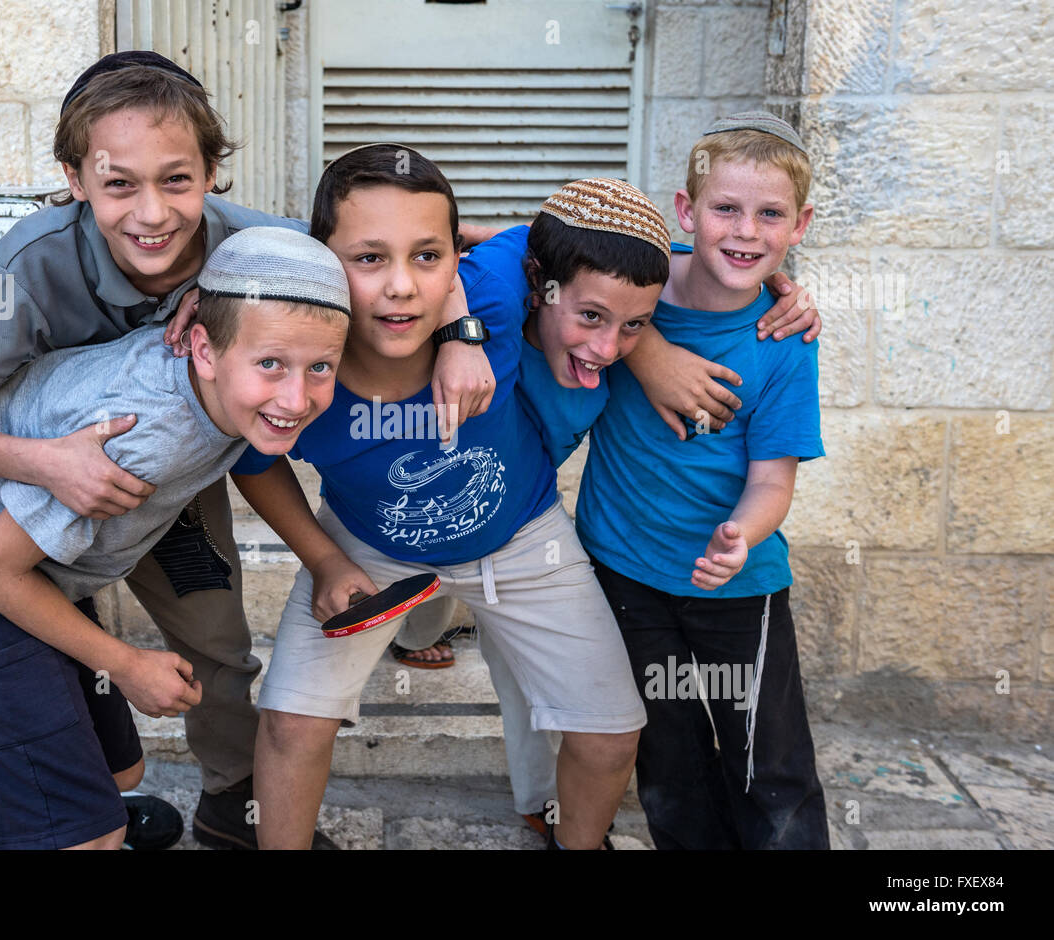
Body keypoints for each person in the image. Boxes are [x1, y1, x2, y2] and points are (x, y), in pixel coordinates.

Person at [0, 52, 491, 851]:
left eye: (177, 180)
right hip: (34, 490)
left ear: (213, 173)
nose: (152, 212)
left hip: (170, 484)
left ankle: (235, 808)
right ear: (74, 180)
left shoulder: (264, 252)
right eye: (118, 184)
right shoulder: (26, 268)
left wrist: (461, 332)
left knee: (216, 643)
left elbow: (426, 248)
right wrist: (52, 464)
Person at [230, 144, 649, 850]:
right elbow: (251, 461)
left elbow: (575, 253)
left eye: (427, 257)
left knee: (611, 732)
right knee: (290, 721)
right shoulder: (299, 359)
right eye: (369, 259)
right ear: (323, 262)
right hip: (369, 544)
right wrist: (325, 562)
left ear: (456, 259)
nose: (401, 286)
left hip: (524, 537)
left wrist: (462, 329)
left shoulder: (491, 289)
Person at [0, 225, 353, 849]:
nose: (296, 397)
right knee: (81, 829)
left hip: (41, 570)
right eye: (272, 364)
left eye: (320, 367)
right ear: (205, 350)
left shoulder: (231, 385)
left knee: (118, 772)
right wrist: (126, 663)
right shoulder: (143, 435)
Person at [394, 174, 824, 837]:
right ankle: (423, 634)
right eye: (729, 211)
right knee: (432, 601)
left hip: (521, 522)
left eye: (635, 329)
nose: (607, 344)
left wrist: (652, 344)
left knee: (540, 678)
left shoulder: (628, 336)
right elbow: (513, 251)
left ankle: (545, 806)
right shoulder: (504, 299)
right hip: (414, 506)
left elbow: (639, 289)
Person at [576, 112, 829, 847]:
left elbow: (773, 482)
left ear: (799, 225)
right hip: (626, 574)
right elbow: (545, 248)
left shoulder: (785, 341)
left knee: (771, 766)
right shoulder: (634, 292)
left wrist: (742, 535)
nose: (746, 231)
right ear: (686, 213)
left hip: (738, 593)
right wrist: (647, 342)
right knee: (669, 759)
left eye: (770, 214)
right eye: (726, 208)